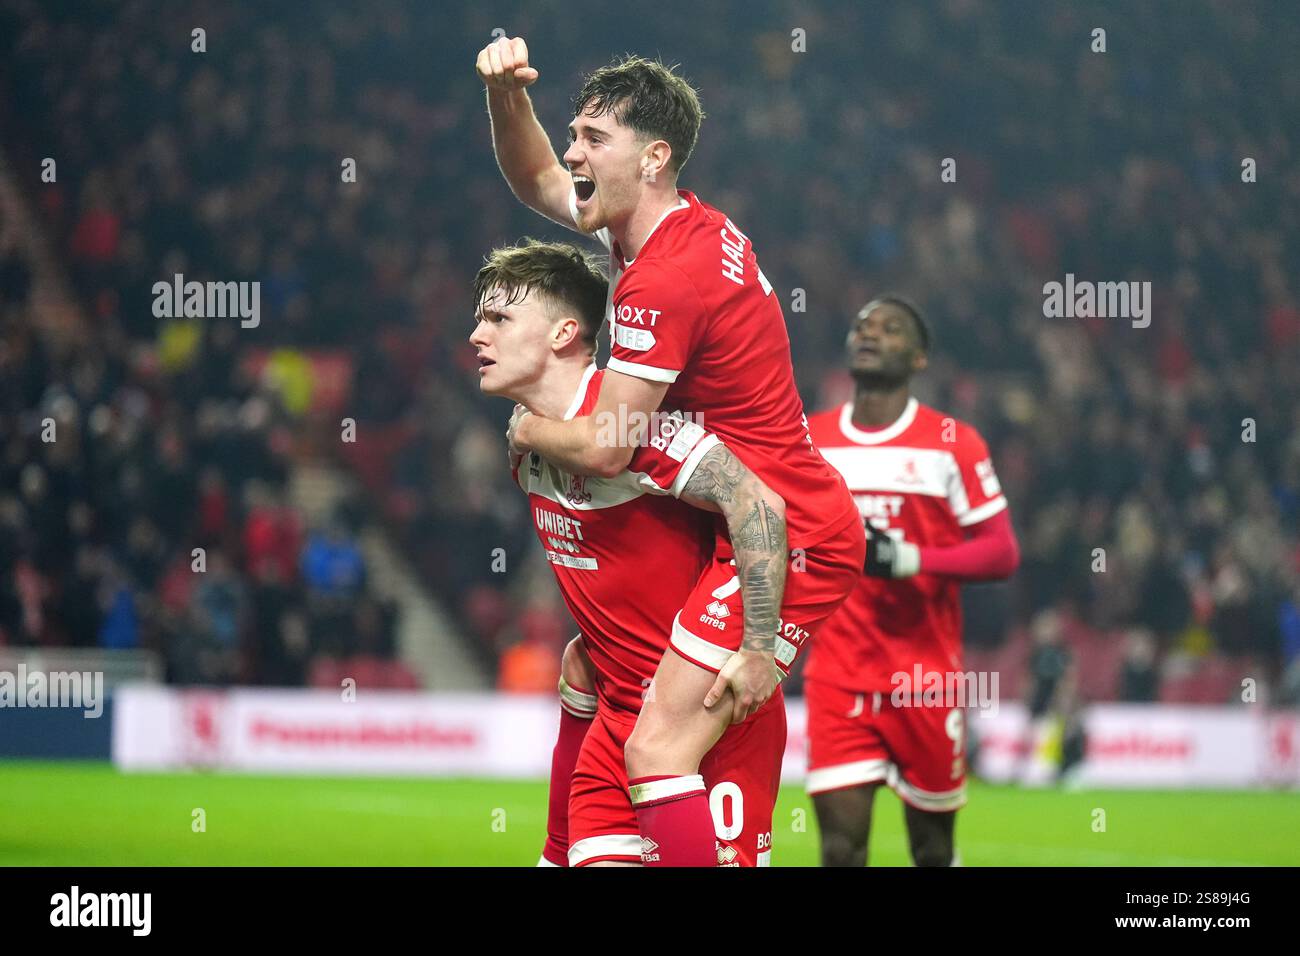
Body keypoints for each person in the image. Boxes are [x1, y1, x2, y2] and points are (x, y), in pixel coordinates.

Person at [475, 37, 864, 865]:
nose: (572, 151)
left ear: (654, 158)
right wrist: (507, 97)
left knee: (657, 752)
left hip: (790, 527)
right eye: (573, 131)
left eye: (592, 137)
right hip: (747, 512)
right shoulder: (656, 232)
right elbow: (537, 181)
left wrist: (530, 428)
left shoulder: (663, 280)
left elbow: (610, 445)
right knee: (633, 719)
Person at [469, 238, 787, 866]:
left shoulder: (628, 425)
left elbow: (761, 509)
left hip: (707, 725)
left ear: (564, 333)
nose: (477, 334)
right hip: (616, 727)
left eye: (498, 318)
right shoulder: (527, 448)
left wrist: (757, 650)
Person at [802, 296, 1020, 866]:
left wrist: (911, 559)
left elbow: (1001, 552)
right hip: (839, 674)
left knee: (931, 851)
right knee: (840, 850)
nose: (870, 334)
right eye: (861, 326)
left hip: (925, 678)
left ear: (919, 357)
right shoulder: (808, 439)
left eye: (890, 328)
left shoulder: (953, 442)